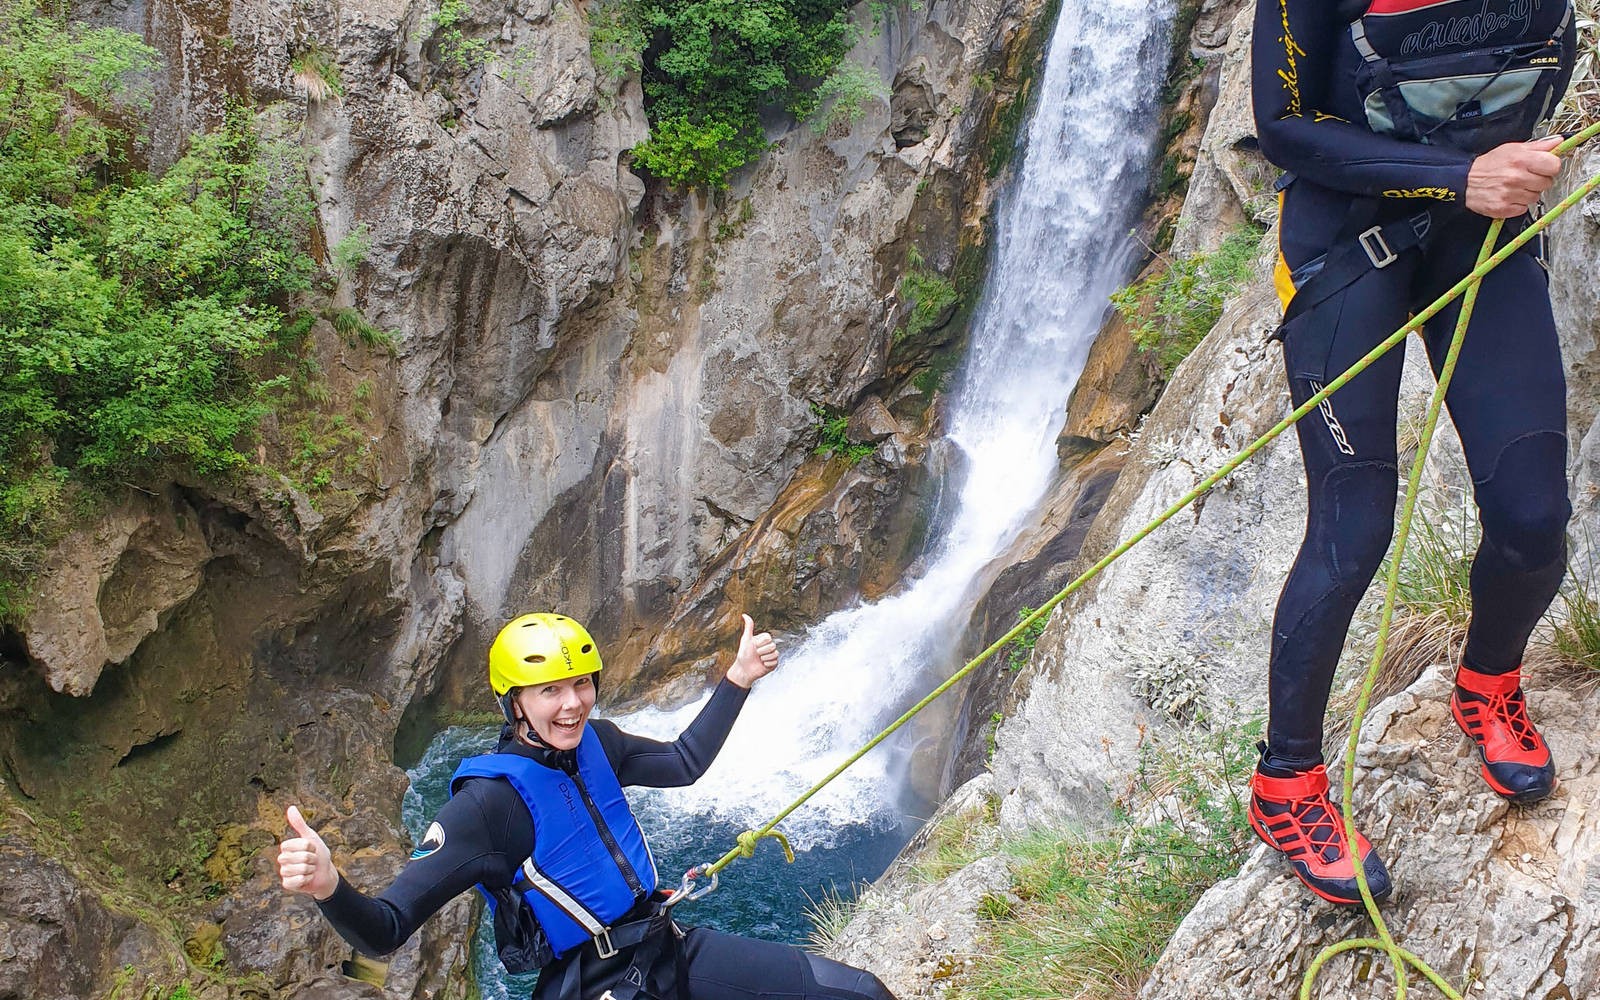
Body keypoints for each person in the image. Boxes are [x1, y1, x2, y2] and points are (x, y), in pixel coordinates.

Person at [1248, 0, 1578, 904]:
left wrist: (1478, 182)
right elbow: (1281, 124)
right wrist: (1461, 174)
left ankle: (1487, 682)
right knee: (1353, 530)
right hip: (1348, 241)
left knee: (1534, 516)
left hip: (1488, 232)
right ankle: (1285, 782)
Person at [279, 611, 896, 1000]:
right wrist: (331, 884)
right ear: (515, 704)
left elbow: (684, 763)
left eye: (582, 683)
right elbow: (385, 930)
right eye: (550, 690)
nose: (573, 703)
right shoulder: (486, 808)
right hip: (590, 982)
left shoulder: (599, 743)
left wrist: (735, 681)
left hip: (665, 947)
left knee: (859, 992)